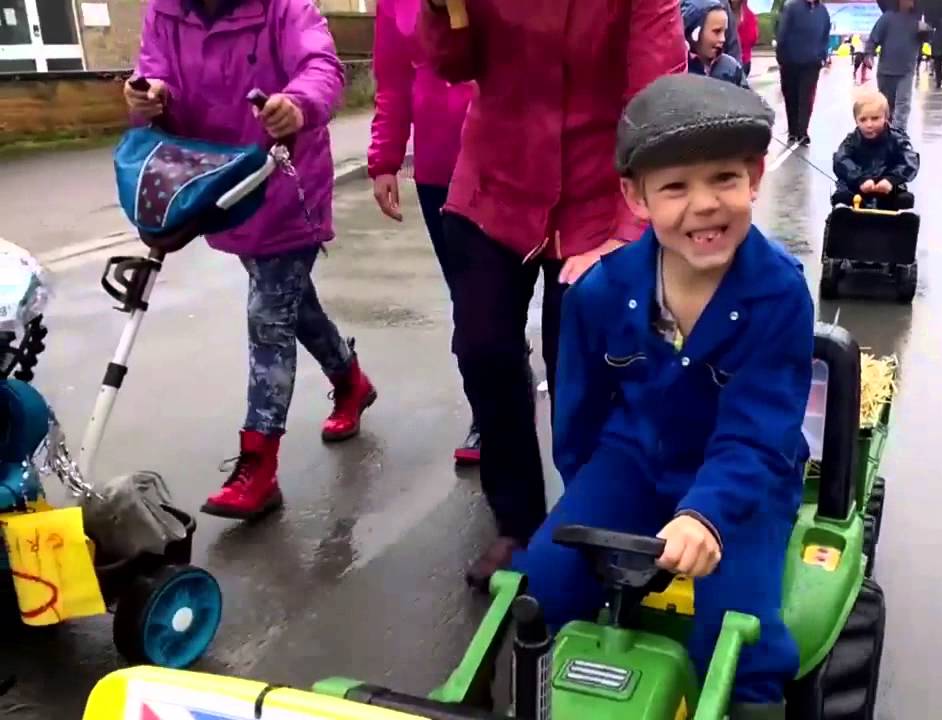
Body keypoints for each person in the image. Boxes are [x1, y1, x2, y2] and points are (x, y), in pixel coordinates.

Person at [515, 72, 813, 720]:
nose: (704, 204)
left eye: (724, 180)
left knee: (741, 628)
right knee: (544, 578)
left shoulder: (780, 295)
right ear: (635, 195)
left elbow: (759, 433)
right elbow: (578, 416)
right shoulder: (598, 293)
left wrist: (705, 514)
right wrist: (595, 493)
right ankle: (524, 697)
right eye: (676, 186)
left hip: (741, 484)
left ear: (755, 177)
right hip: (635, 462)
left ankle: (753, 703)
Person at [420, 0, 686, 587]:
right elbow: (453, 64)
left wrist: (629, 228)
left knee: (585, 370)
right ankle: (516, 523)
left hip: (600, 191)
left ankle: (590, 520)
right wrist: (442, 11)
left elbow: (655, 100)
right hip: (495, 183)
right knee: (484, 350)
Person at [126, 0, 374, 521]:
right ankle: (351, 381)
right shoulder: (166, 12)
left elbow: (322, 66)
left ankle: (258, 465)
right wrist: (150, 94)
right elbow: (155, 72)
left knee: (268, 318)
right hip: (217, 182)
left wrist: (298, 102)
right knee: (292, 308)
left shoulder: (285, 8)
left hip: (285, 181)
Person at [367, 0, 480, 465]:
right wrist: (385, 159)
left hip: (506, 153)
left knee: (496, 295)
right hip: (438, 167)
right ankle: (489, 409)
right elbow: (392, 83)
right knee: (467, 296)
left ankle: (505, 380)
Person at [831, 91, 918, 209]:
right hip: (856, 186)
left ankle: (899, 222)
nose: (869, 124)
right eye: (863, 120)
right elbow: (841, 159)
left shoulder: (897, 138)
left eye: (875, 118)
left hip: (888, 188)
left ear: (886, 118)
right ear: (856, 121)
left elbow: (910, 161)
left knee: (906, 199)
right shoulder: (852, 140)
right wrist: (860, 179)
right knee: (840, 197)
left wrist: (890, 180)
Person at [775, 0, 831, 146]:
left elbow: (825, 35)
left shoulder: (823, 11)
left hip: (812, 63)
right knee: (791, 96)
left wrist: (822, 56)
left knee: (806, 97)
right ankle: (793, 131)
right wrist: (781, 57)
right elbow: (782, 33)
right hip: (790, 62)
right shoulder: (791, 8)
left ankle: (802, 132)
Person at [865, 0, 925, 129]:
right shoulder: (887, 18)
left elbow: (929, 39)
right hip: (886, 70)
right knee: (886, 106)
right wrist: (869, 54)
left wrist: (925, 30)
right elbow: (874, 38)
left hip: (906, 70)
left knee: (903, 104)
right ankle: (886, 131)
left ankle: (898, 135)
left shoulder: (918, 20)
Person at [682, 0, 749, 87]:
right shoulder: (679, 69)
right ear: (694, 32)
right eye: (717, 31)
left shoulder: (731, 68)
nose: (723, 39)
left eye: (725, 32)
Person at [729, 0, 759, 77]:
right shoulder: (722, 12)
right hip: (728, 62)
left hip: (744, 62)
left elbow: (752, 39)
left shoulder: (750, 15)